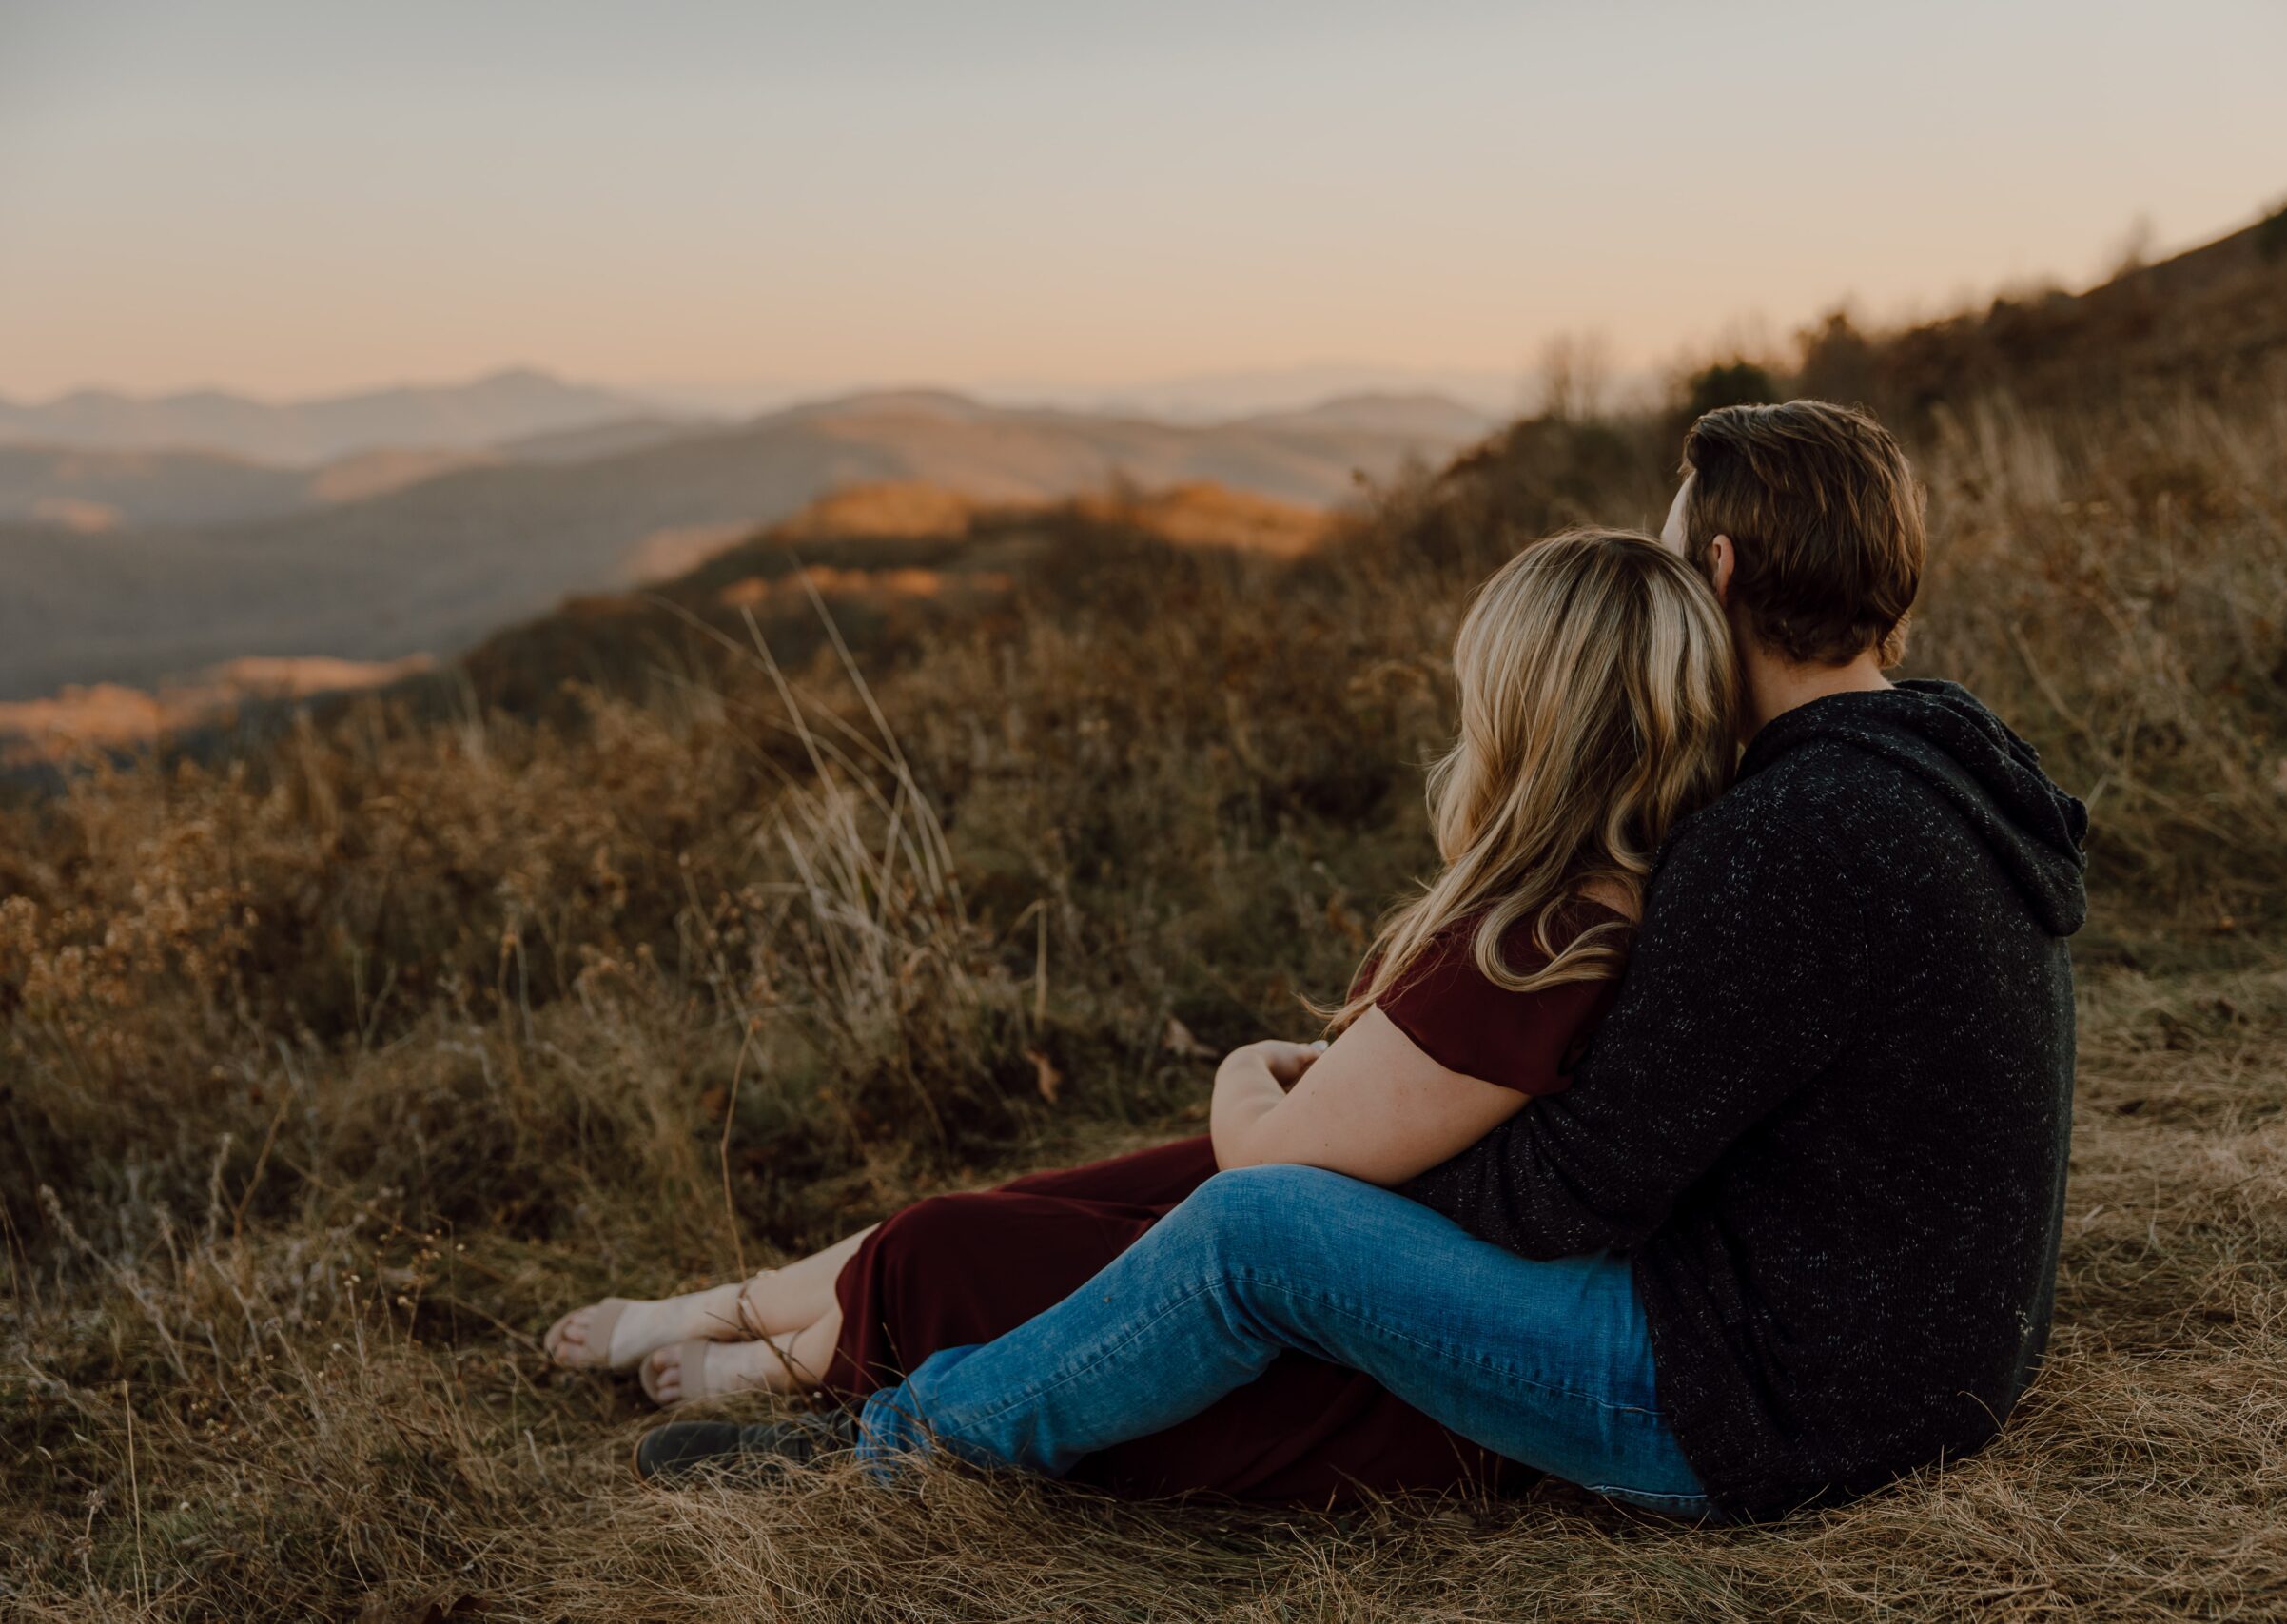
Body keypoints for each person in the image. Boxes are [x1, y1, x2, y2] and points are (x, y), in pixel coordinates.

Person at [624, 399, 2089, 1521]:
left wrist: (1311, 1156)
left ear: (1714, 567)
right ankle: (871, 1362)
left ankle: (887, 1458)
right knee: (1255, 1203)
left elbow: (1585, 1181)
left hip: (1770, 1408)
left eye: (1666, 551)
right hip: (1892, 1361)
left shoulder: (1799, 828)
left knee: (1259, 1232)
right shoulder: (1931, 766)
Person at [549, 524, 1744, 1506]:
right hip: (1392, 1208)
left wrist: (1242, 1067)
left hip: (1369, 1345)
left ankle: (770, 1367)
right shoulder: (1594, 893)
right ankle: (725, 1310)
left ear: (1528, 712)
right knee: (1032, 1204)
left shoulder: (1551, 943)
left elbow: (1262, 1168)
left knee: (940, 1253)